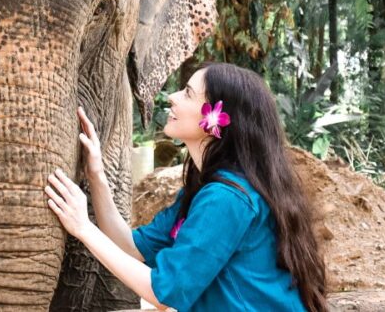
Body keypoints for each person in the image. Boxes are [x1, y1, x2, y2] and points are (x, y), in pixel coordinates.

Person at [45, 62, 328, 311]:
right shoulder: (207, 189)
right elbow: (130, 247)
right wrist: (96, 174)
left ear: (216, 119)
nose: (172, 97)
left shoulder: (226, 199)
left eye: (188, 93)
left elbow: (163, 293)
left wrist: (83, 228)